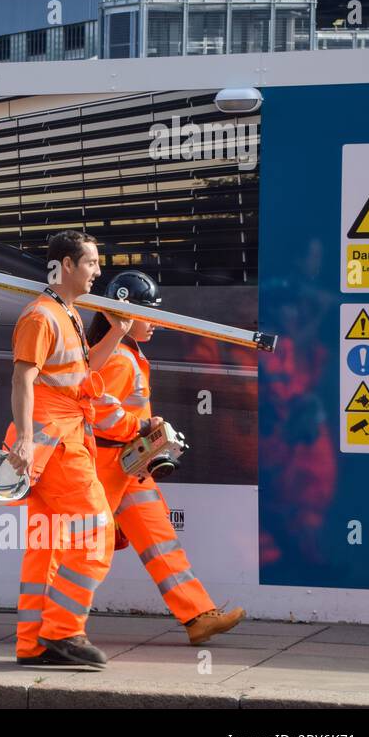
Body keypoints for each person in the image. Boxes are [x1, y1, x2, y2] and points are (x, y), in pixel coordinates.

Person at [88, 270, 246, 644]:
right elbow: (99, 411)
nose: (156, 322)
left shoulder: (127, 355)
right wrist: (142, 426)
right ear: (121, 315)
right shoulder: (121, 360)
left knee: (160, 542)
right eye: (148, 314)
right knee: (86, 550)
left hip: (126, 467)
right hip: (107, 468)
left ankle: (197, 616)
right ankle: (53, 625)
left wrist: (143, 428)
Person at [5, 230, 132, 669]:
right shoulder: (42, 316)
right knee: (96, 533)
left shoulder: (65, 314)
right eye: (92, 263)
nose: (98, 272)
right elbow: (22, 378)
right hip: (55, 445)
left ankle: (33, 643)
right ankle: (63, 632)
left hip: (54, 444)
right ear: (65, 265)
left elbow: (79, 374)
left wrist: (116, 334)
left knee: (48, 544)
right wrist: (23, 437)